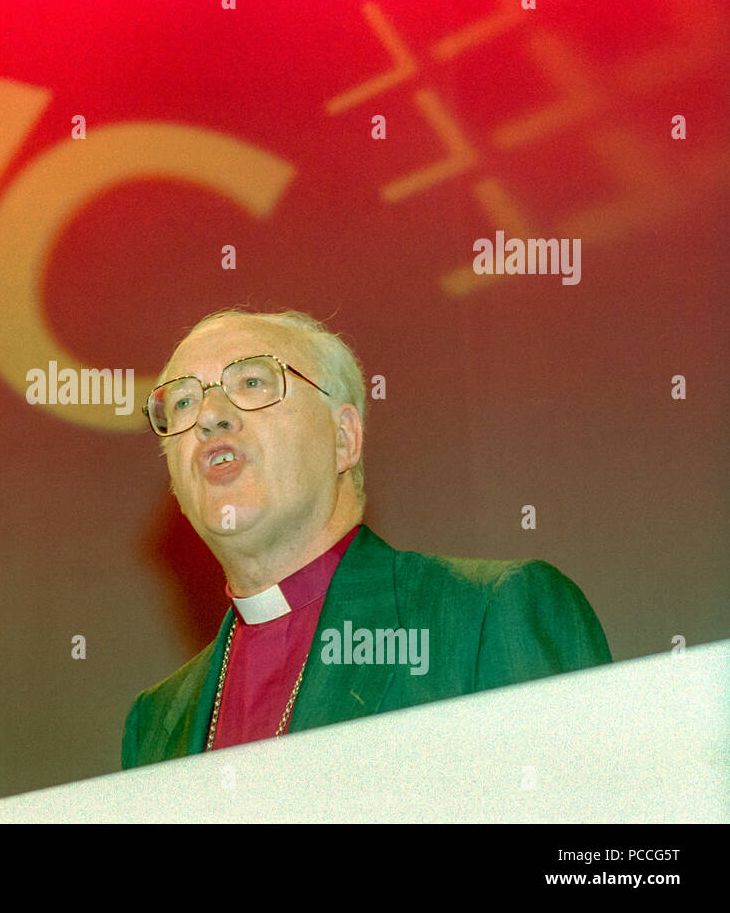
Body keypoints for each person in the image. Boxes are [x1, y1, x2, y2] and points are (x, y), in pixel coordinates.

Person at [121, 307, 611, 769]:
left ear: (344, 438)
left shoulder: (490, 614)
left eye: (252, 382)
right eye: (183, 402)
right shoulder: (155, 723)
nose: (209, 416)